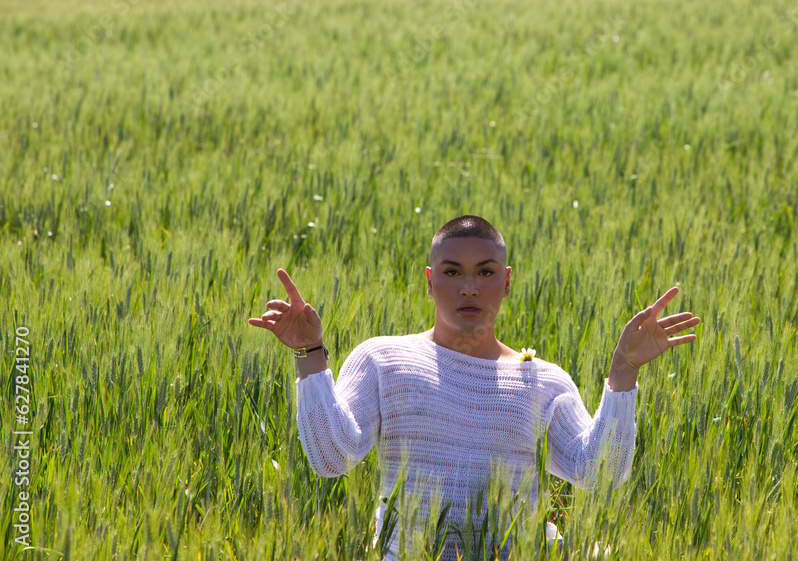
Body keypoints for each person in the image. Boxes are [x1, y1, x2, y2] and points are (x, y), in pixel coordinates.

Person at [248, 215, 700, 560]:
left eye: (485, 273)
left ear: (505, 283)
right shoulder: (383, 359)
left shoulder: (541, 379)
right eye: (452, 272)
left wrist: (623, 370)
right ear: (429, 281)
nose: (469, 287)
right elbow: (331, 457)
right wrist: (310, 353)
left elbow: (599, 473)